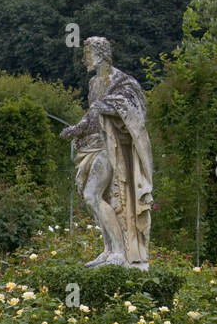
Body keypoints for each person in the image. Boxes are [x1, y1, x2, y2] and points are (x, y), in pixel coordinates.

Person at [60, 37, 154, 268]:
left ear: (101, 54)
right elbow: (92, 115)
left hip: (112, 148)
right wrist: (76, 130)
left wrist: (109, 107)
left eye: (88, 54)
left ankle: (120, 251)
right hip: (94, 145)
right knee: (97, 198)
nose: (84, 59)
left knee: (93, 195)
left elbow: (137, 112)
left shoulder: (122, 81)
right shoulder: (94, 83)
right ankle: (109, 249)